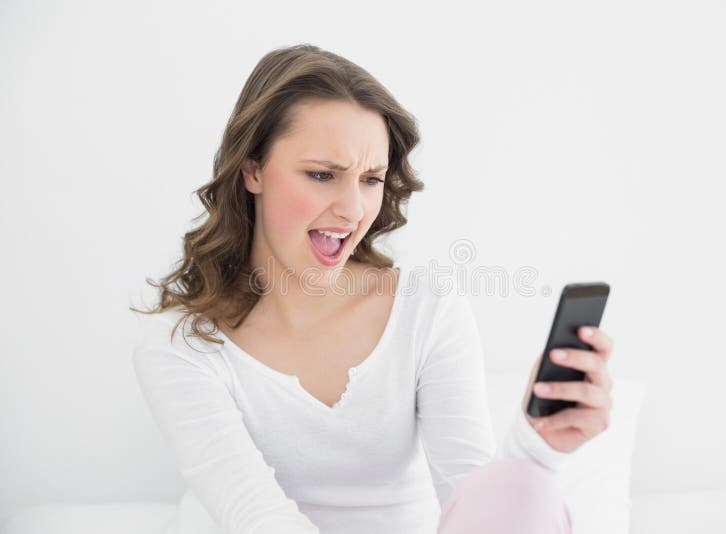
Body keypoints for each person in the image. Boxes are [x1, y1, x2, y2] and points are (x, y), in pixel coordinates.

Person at [130, 43, 614, 534]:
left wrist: (536, 449)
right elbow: (258, 519)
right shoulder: (183, 346)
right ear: (252, 169)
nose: (354, 210)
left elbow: (472, 506)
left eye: (371, 179)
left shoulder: (427, 309)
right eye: (322, 175)